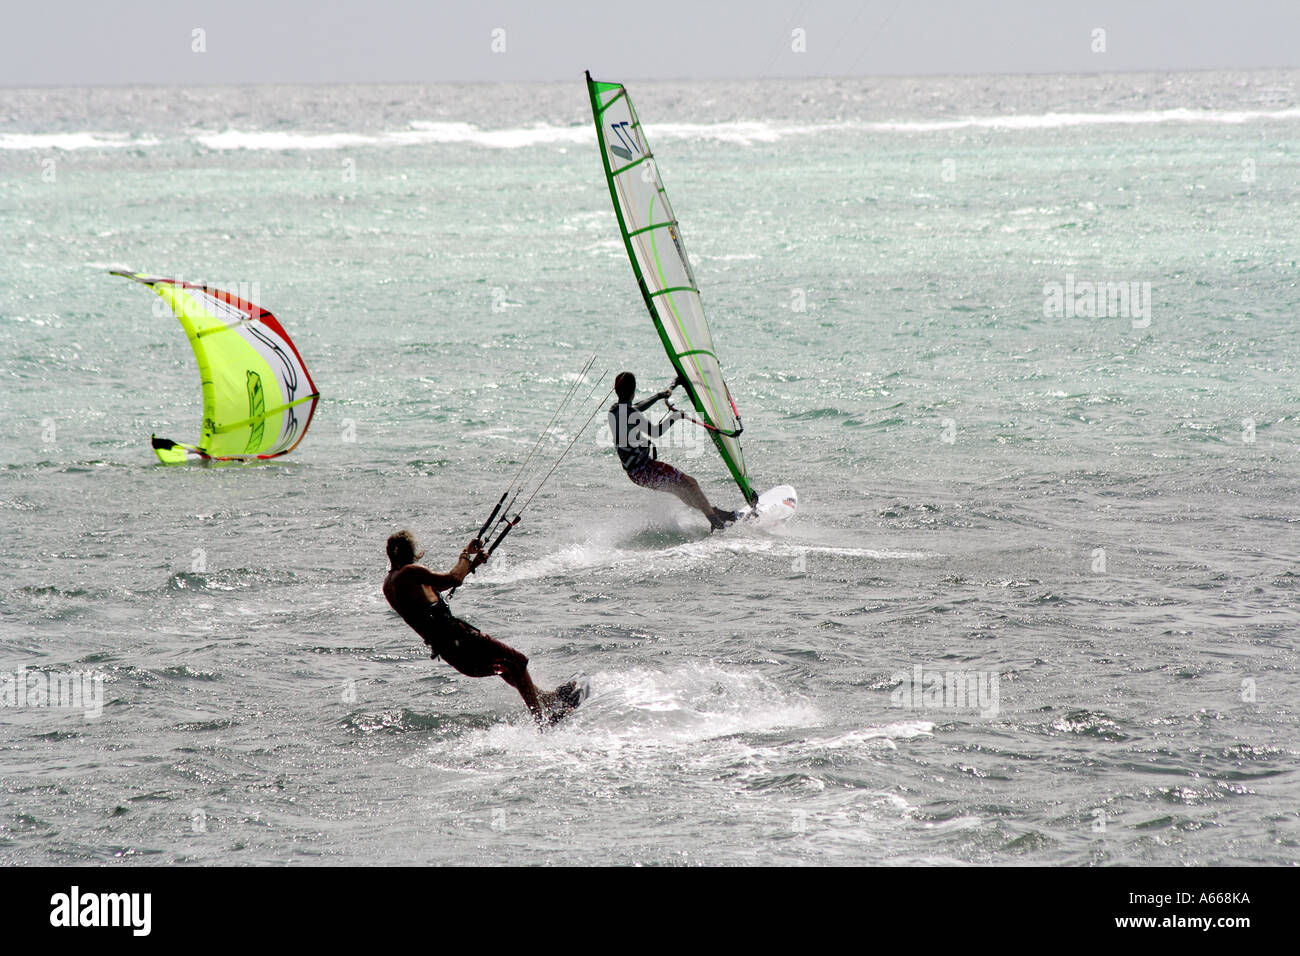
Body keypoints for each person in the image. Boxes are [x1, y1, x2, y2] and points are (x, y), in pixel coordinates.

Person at [381, 530, 582, 725]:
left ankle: (549, 700)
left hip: (447, 647)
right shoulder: (409, 572)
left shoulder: (390, 584)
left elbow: (436, 588)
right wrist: (466, 554)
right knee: (516, 662)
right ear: (411, 551)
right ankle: (543, 721)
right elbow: (453, 579)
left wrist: (471, 564)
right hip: (458, 637)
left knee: (508, 668)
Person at [608, 370, 738, 531]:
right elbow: (655, 432)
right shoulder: (630, 413)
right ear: (633, 392)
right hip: (644, 469)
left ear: (616, 390)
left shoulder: (613, 410)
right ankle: (715, 521)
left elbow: (635, 407)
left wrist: (658, 396)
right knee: (690, 483)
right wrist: (676, 417)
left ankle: (715, 513)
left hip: (635, 473)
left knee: (682, 491)